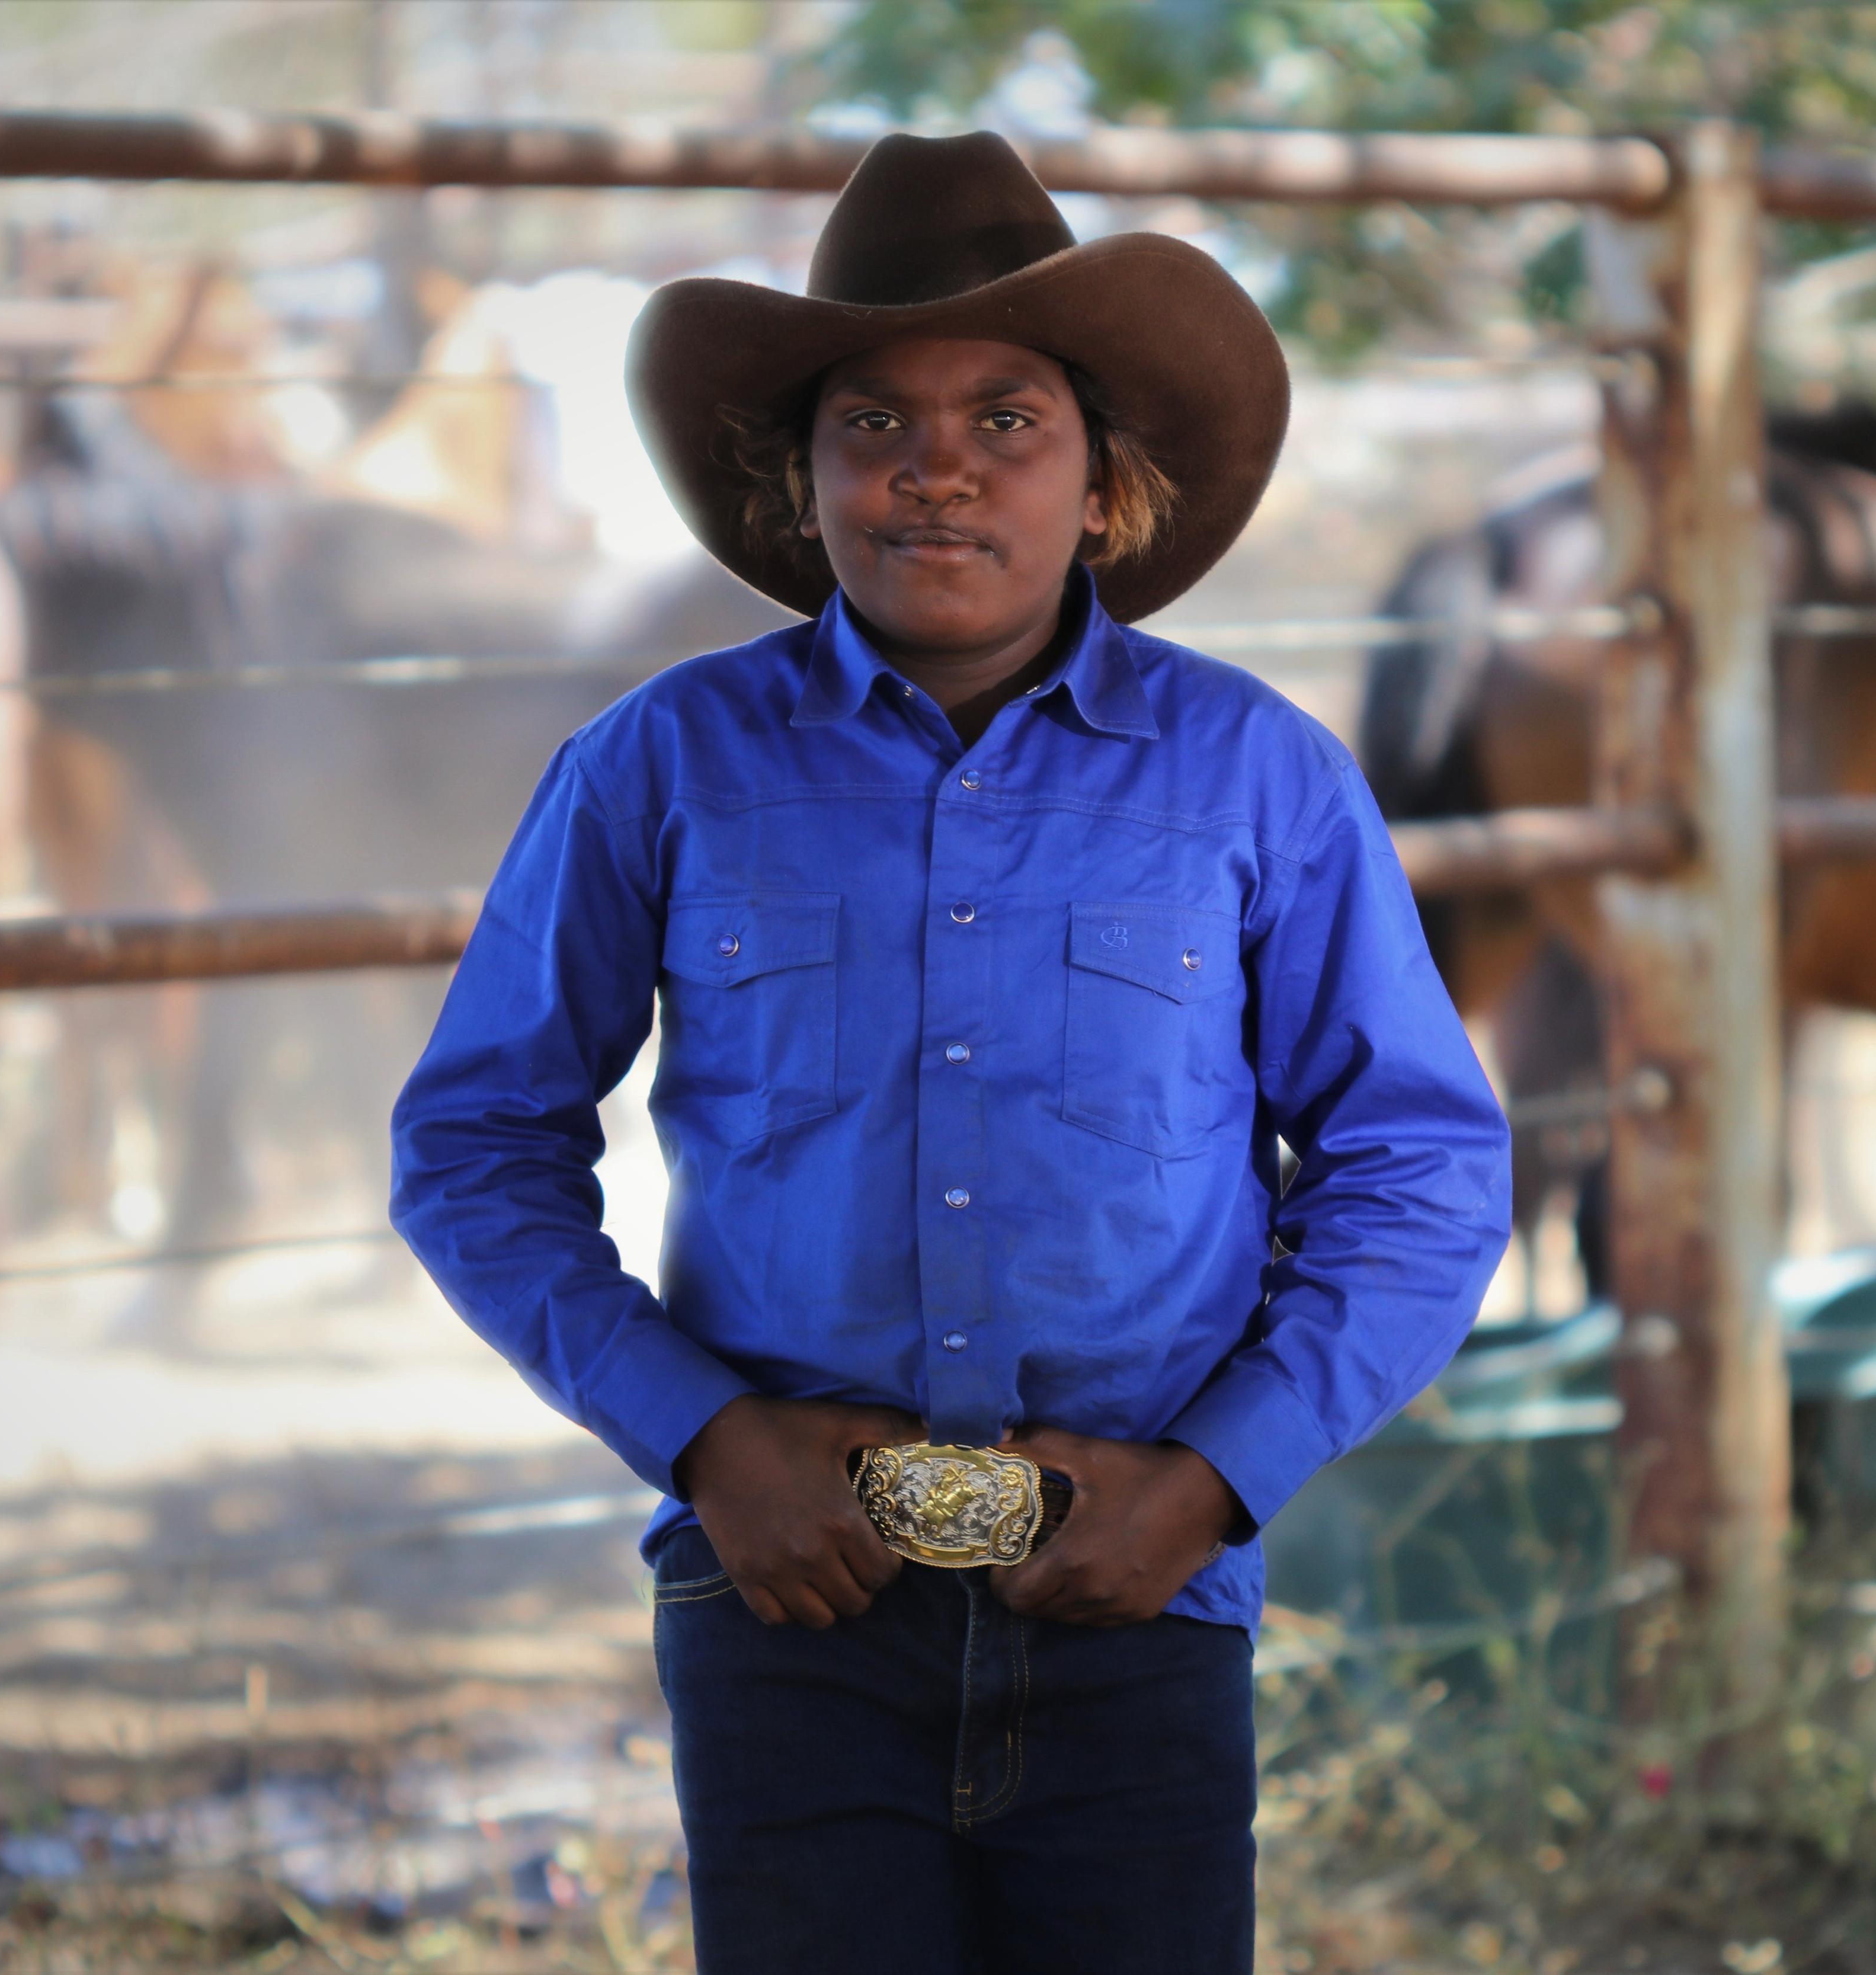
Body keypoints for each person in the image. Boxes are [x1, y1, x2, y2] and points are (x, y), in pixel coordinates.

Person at [390, 130, 1510, 1974]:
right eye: (870, 425)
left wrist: (1213, 1480)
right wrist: (707, 1441)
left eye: (1008, 419)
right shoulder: (660, 768)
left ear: (1104, 490)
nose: (935, 468)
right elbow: (476, 1144)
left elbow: (1423, 1163)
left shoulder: (1257, 778)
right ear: (797, 483)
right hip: (788, 1605)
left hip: (1137, 1597)